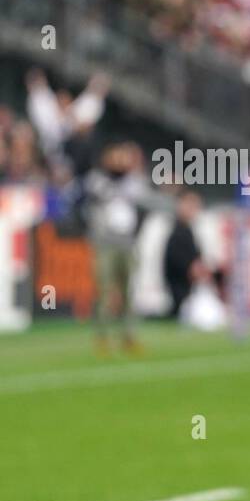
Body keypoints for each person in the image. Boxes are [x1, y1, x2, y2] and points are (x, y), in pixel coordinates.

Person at [82, 142, 148, 353]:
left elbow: (143, 205)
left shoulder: (135, 182)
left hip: (127, 242)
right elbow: (92, 200)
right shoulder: (97, 180)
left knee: (129, 291)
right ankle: (102, 336)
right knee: (104, 290)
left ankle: (128, 335)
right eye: (116, 156)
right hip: (105, 243)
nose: (120, 161)